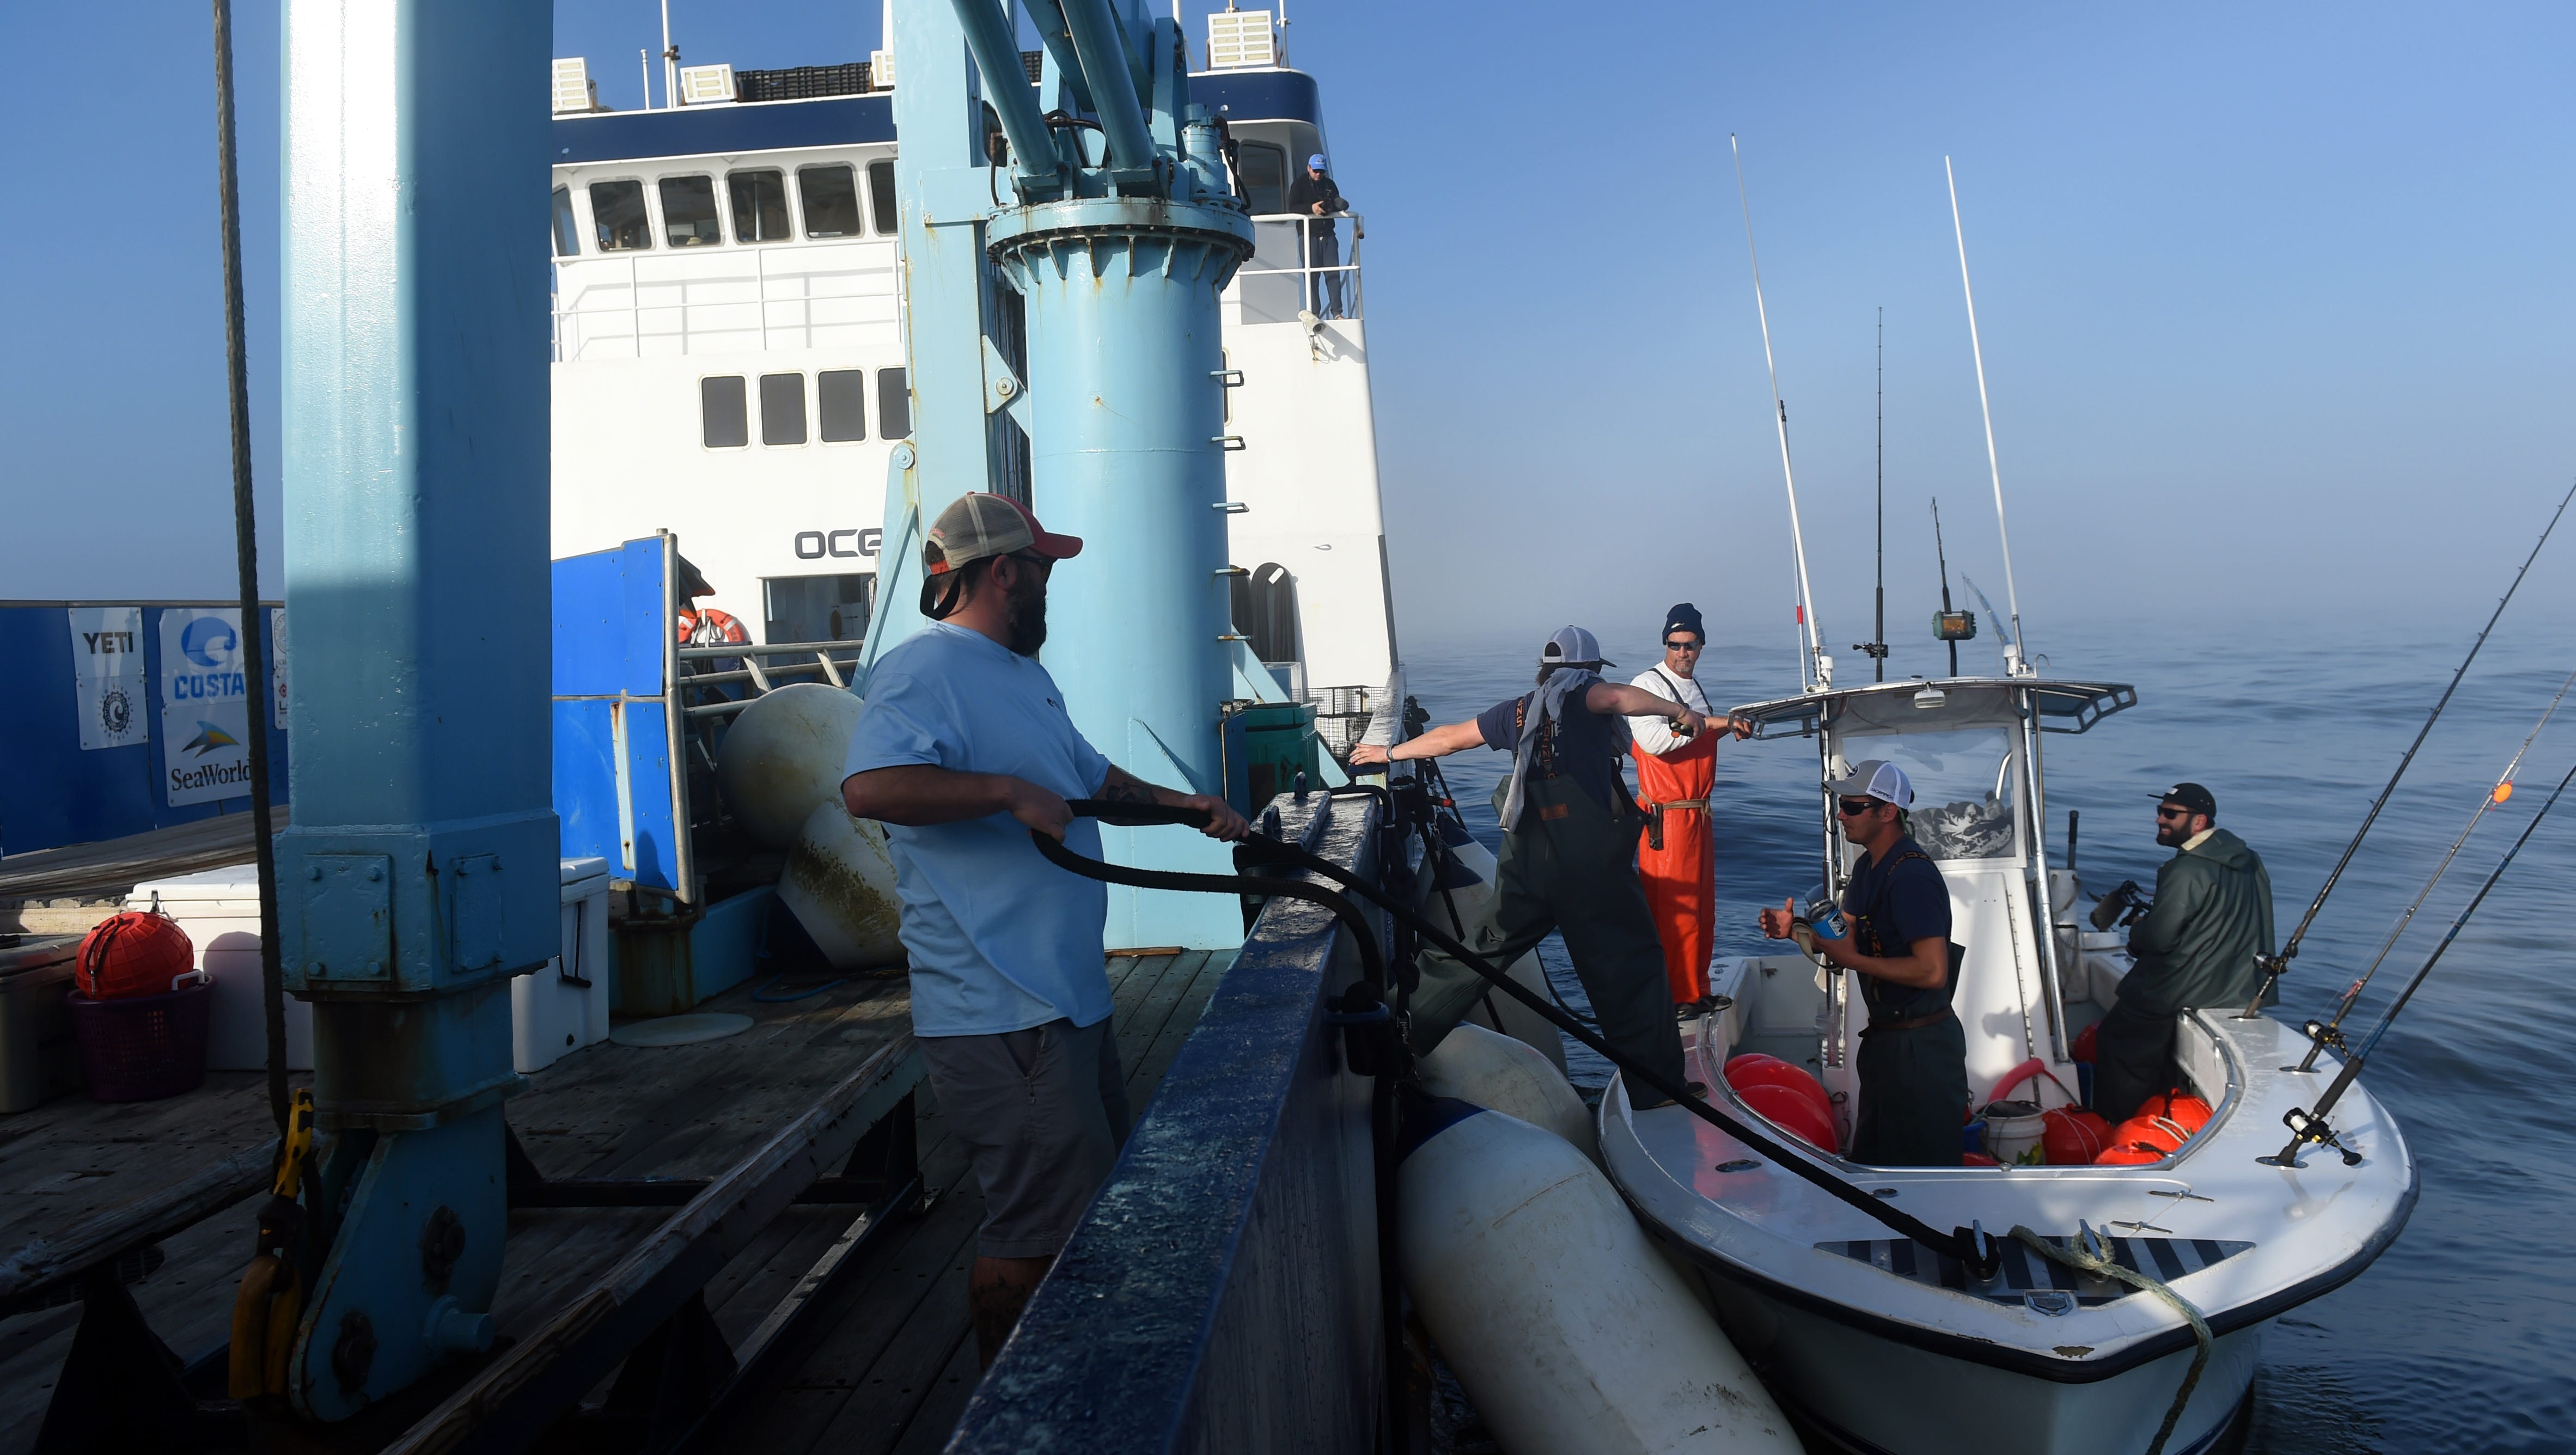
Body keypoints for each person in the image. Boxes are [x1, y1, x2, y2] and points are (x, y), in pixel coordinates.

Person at [840, 492, 1249, 1367]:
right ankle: (1011, 1410)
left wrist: (1191, 808)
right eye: (1043, 568)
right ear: (1002, 572)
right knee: (1032, 1236)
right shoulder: (925, 671)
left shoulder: (1020, 676)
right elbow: (869, 789)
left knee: (1086, 1209)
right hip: (1002, 1006)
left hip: (1063, 996)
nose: (1050, 584)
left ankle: (1072, 1385)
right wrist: (1003, 790)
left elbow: (1089, 779)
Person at [1351, 627, 1705, 1099]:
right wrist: (1677, 709)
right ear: (1587, 670)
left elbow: (1451, 739)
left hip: (1529, 860)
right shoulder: (1583, 694)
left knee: (1482, 951)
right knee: (1633, 967)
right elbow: (1617, 698)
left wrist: (1387, 753)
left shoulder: (1519, 710)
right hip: (1588, 869)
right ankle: (1658, 1089)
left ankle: (1392, 1026)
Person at [1758, 761, 1967, 1165]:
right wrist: (1798, 931)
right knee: (1877, 1163)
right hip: (1886, 1046)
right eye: (1841, 804)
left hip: (1921, 1052)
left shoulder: (1912, 878)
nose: (1841, 815)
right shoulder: (1866, 866)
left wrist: (1852, 959)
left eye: (1853, 807)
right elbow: (1845, 940)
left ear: (1888, 812)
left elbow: (1932, 970)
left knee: (1923, 1176)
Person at [2092, 782, 2275, 1123]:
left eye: (2171, 814)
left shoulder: (2187, 870)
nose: (2160, 819)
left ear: (2199, 821)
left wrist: (2136, 929)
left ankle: (2119, 1128)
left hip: (2182, 986)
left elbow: (2159, 938)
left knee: (2118, 1039)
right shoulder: (2249, 859)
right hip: (2236, 986)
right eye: (2160, 812)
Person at [1625, 603, 1753, 1017]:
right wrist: (1718, 723)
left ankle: (1697, 988)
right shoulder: (1646, 685)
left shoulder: (1694, 688)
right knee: (1673, 910)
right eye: (1675, 644)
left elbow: (1695, 727)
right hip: (1666, 817)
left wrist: (1724, 723)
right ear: (1665, 643)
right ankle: (1675, 996)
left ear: (1701, 646)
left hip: (1699, 814)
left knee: (1702, 908)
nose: (1682, 652)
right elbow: (1656, 743)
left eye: (1690, 645)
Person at [1284, 153, 1350, 319]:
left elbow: (1335, 203)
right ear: (1309, 168)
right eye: (1315, 171)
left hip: (1328, 235)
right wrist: (1311, 208)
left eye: (1321, 171)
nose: (1318, 174)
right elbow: (1292, 207)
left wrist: (1336, 204)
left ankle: (1337, 312)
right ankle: (1314, 312)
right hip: (1308, 235)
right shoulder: (1299, 185)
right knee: (1311, 275)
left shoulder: (1329, 185)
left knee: (1333, 273)